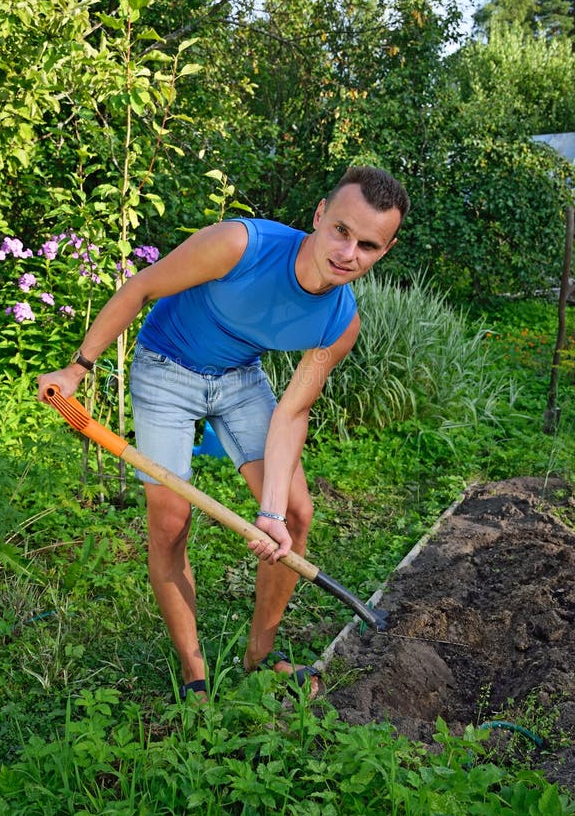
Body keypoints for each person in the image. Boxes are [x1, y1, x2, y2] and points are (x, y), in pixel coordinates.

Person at [37, 165, 410, 700]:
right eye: (342, 231)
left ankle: (260, 656)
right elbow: (141, 287)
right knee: (171, 521)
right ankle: (195, 674)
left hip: (239, 379)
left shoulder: (339, 322)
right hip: (166, 367)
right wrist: (77, 369)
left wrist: (272, 512)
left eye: (368, 245)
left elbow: (291, 415)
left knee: (298, 514)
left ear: (385, 250)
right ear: (320, 215)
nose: (348, 253)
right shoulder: (241, 244)